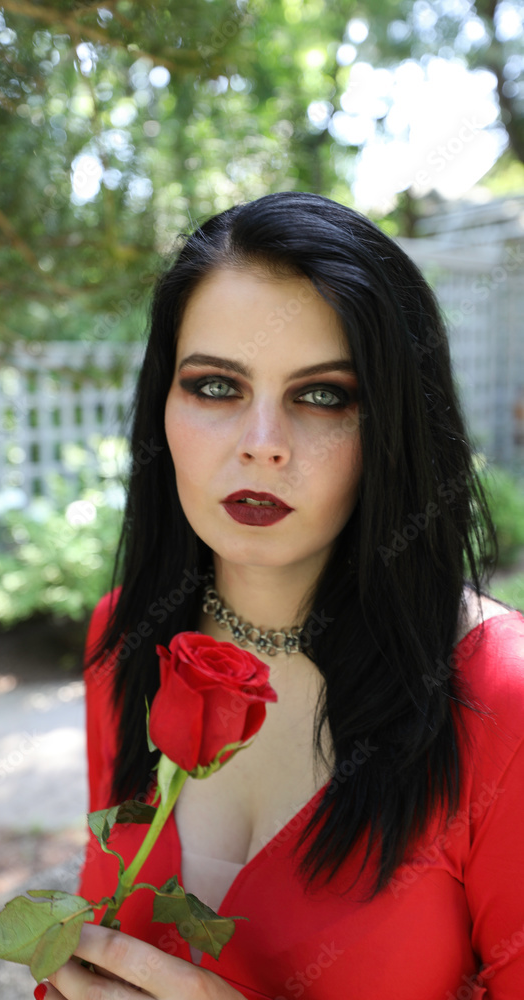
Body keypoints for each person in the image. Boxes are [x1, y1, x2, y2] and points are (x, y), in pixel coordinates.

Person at [34, 192, 524, 1000]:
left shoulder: (500, 699)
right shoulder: (124, 637)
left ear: (394, 426)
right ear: (162, 406)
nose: (262, 444)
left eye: (323, 395)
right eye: (215, 387)